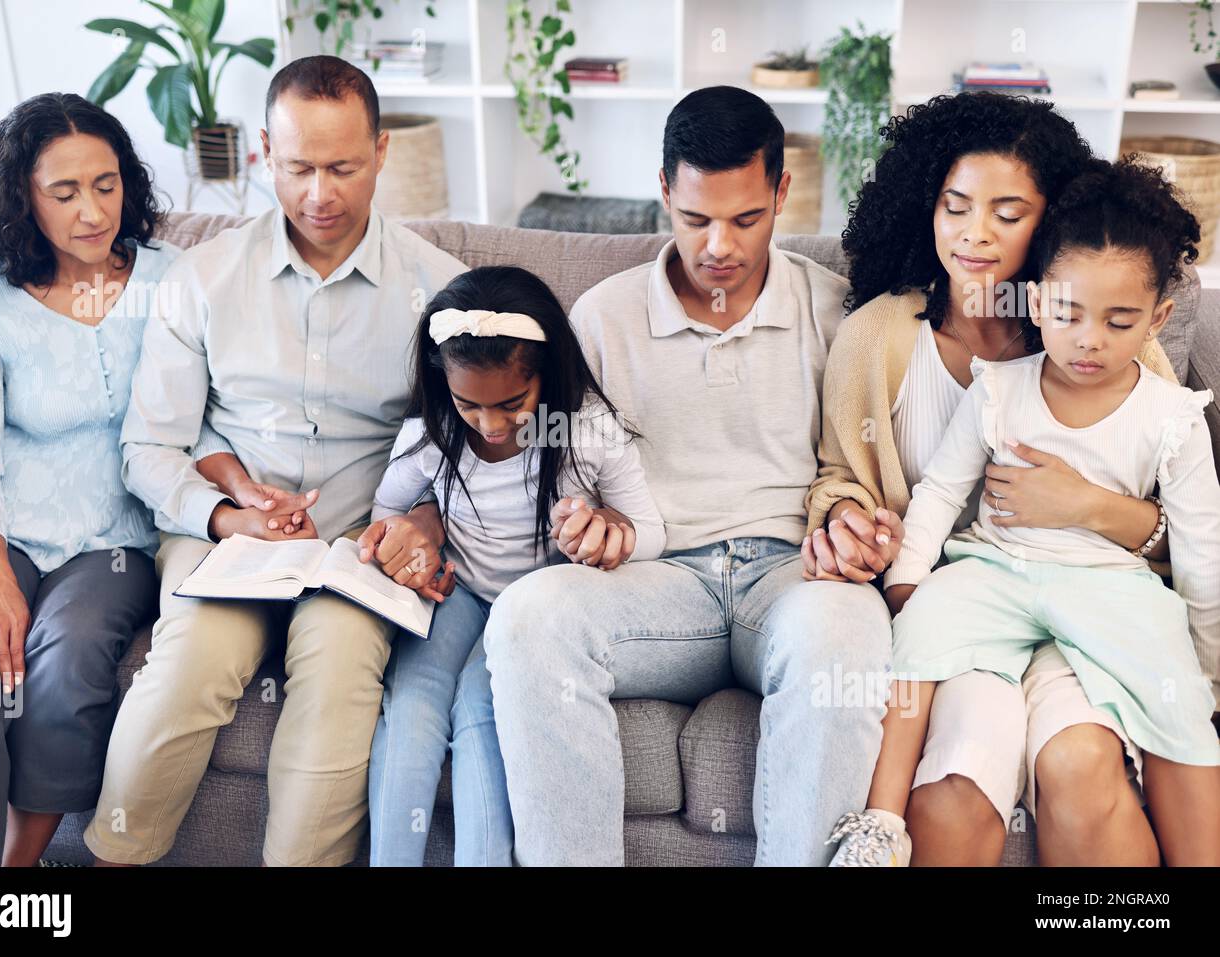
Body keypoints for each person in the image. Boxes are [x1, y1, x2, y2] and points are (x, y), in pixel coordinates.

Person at [482, 86, 892, 866]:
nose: (719, 247)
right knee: (529, 616)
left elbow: (858, 468)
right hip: (656, 582)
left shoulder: (836, 310)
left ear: (782, 192)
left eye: (746, 219)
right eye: (696, 218)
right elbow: (567, 475)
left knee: (845, 631)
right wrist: (586, 522)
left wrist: (856, 525)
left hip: (789, 575)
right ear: (664, 190)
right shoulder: (601, 318)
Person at [82, 55, 466, 867]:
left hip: (356, 547)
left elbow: (466, 450)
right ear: (262, 152)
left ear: (382, 153)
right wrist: (227, 515)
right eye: (296, 168)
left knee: (335, 691)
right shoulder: (204, 276)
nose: (318, 194)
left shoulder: (443, 295)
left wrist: (422, 523)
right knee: (182, 670)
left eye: (342, 167)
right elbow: (150, 447)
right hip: (228, 539)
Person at [807, 93, 1184, 866]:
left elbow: (1178, 526)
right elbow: (838, 476)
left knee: (1081, 767)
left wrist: (1088, 506)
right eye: (955, 206)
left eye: (1007, 213)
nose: (974, 234)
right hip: (956, 615)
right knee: (962, 780)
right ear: (927, 207)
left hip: (1089, 609)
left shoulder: (1108, 333)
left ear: (1048, 224)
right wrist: (846, 519)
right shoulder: (878, 335)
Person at [0, 93, 179, 865]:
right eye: (63, 192)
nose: (93, 211)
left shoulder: (174, 281)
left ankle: (15, 877)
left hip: (116, 538)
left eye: (106, 184)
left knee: (63, 671)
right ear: (22, 198)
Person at [366, 266, 665, 865]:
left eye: (512, 403)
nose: (491, 425)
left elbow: (653, 531)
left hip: (530, 617)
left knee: (481, 709)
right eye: (467, 404)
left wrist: (614, 531)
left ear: (546, 378)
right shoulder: (432, 434)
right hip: (458, 596)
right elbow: (385, 515)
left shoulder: (586, 433)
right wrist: (413, 541)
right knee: (411, 702)